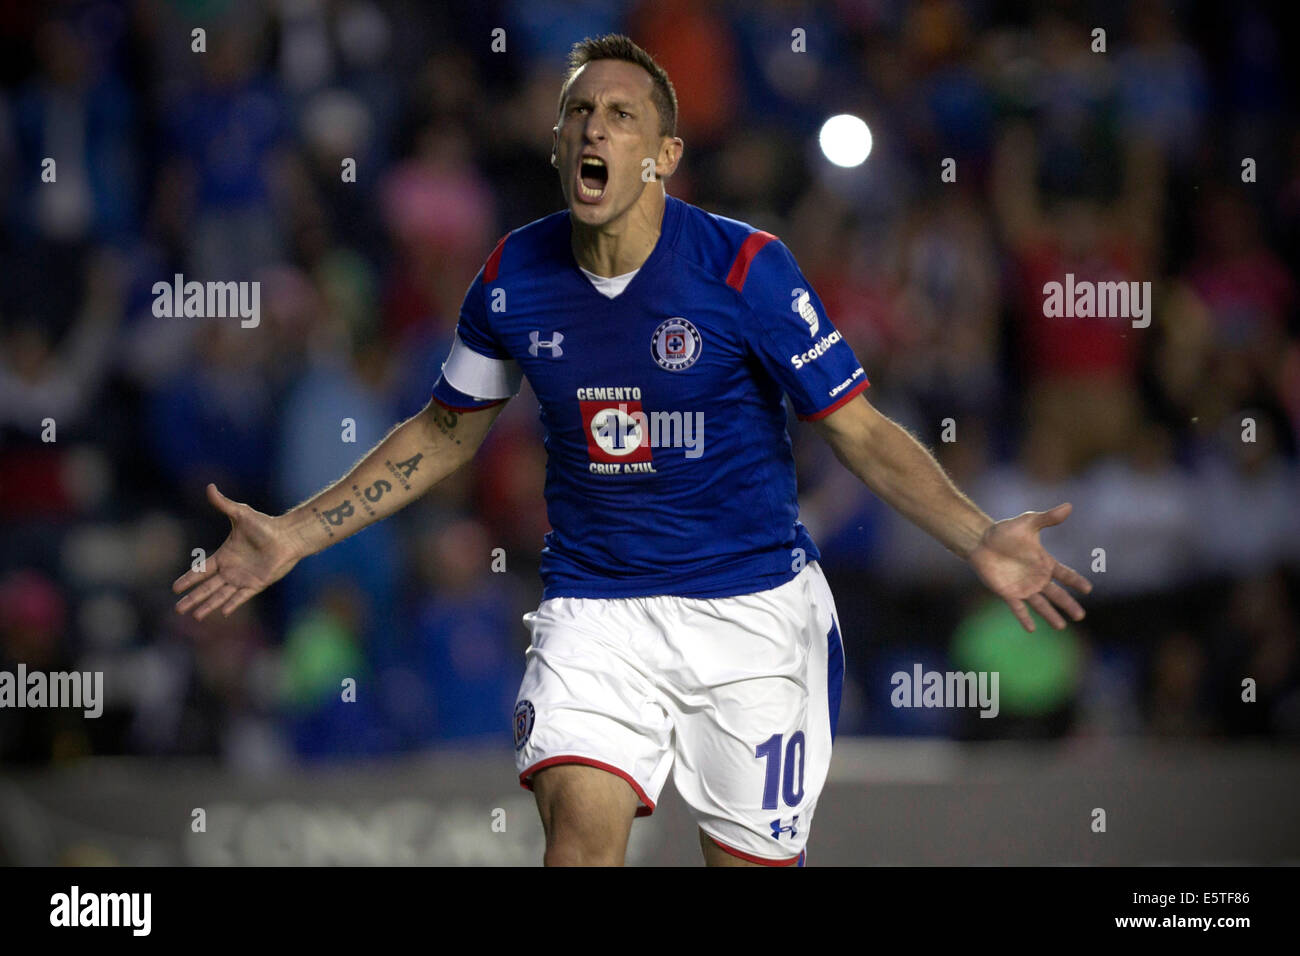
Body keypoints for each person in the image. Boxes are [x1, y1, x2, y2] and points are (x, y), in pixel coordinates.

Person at [173, 34, 1091, 866]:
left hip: (753, 616)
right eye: (578, 113)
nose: (592, 131)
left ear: (664, 156)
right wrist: (295, 532)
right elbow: (446, 432)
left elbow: (856, 429)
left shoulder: (745, 269)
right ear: (558, 143)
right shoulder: (512, 277)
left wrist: (976, 537)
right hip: (596, 610)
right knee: (578, 848)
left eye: (620, 115)